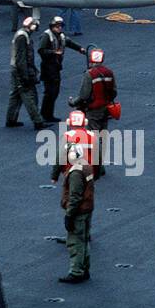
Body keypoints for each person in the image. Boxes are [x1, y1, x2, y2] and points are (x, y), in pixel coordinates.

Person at [57, 143, 97, 284]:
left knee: (75, 242)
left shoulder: (75, 172)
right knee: (84, 240)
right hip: (87, 209)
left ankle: (76, 272)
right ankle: (84, 269)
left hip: (78, 212)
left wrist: (69, 215)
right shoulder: (86, 165)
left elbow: (75, 196)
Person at [38, 16, 87, 122]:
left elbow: (69, 43)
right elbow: (41, 50)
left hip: (55, 67)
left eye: (60, 26)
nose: (59, 28)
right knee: (50, 92)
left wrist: (80, 48)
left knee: (54, 92)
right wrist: (53, 53)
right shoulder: (47, 36)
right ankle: (45, 114)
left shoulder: (61, 36)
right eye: (57, 26)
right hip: (48, 68)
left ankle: (47, 113)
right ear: (52, 26)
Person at [7, 16, 46, 129]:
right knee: (29, 95)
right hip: (21, 70)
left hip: (16, 69)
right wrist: (25, 75)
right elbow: (21, 59)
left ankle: (11, 120)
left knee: (15, 95)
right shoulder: (23, 37)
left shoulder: (21, 34)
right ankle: (38, 121)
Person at [70, 47, 118, 131]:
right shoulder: (109, 72)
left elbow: (84, 95)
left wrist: (73, 102)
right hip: (106, 107)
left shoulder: (90, 74)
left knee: (93, 132)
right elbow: (114, 92)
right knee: (103, 132)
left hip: (93, 109)